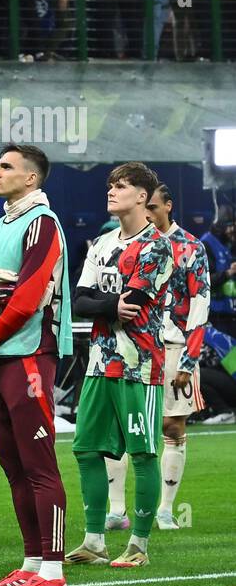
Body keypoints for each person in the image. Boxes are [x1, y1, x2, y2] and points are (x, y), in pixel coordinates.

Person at [0, 146, 73, 586]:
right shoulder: (0, 226)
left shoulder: (43, 224)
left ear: (31, 179)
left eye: (6, 166)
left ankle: (54, 570)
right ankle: (31, 560)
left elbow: (31, 293)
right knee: (13, 466)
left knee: (39, 465)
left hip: (29, 353)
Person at [67, 163, 174, 570]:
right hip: (98, 363)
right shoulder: (101, 243)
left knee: (143, 453)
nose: (112, 191)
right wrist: (108, 306)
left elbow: (134, 305)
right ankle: (95, 541)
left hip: (139, 366)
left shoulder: (156, 246)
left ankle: (139, 545)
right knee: (86, 450)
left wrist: (105, 304)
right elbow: (79, 300)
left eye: (122, 186)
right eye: (111, 185)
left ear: (143, 197)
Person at [105, 184, 210, 531]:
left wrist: (190, 361)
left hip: (175, 346)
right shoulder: (125, 245)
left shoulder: (191, 247)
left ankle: (165, 510)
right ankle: (116, 510)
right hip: (133, 344)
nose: (147, 212)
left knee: (172, 426)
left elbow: (200, 304)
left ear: (168, 205)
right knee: (121, 426)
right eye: (144, 205)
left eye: (153, 205)